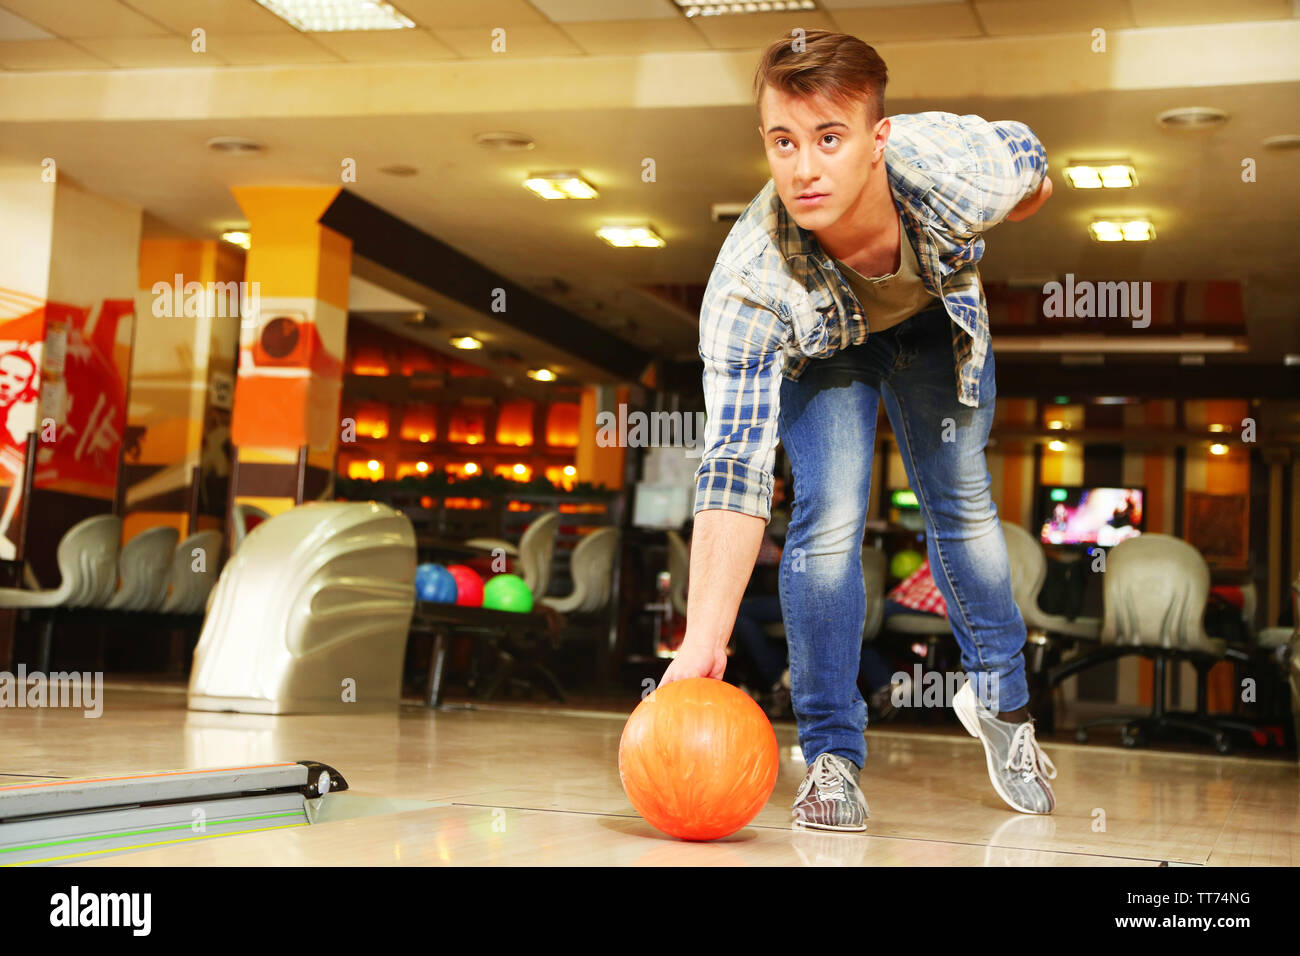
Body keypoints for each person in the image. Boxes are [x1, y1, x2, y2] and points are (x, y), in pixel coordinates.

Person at [661, 30, 1058, 831]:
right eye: (783, 141)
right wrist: (703, 640)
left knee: (963, 506)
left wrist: (1016, 203)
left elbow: (1030, 159)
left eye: (829, 139)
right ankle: (833, 756)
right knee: (828, 520)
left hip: (930, 326)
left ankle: (1003, 705)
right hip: (826, 344)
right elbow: (734, 463)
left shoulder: (950, 169)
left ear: (877, 140)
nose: (803, 169)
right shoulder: (749, 284)